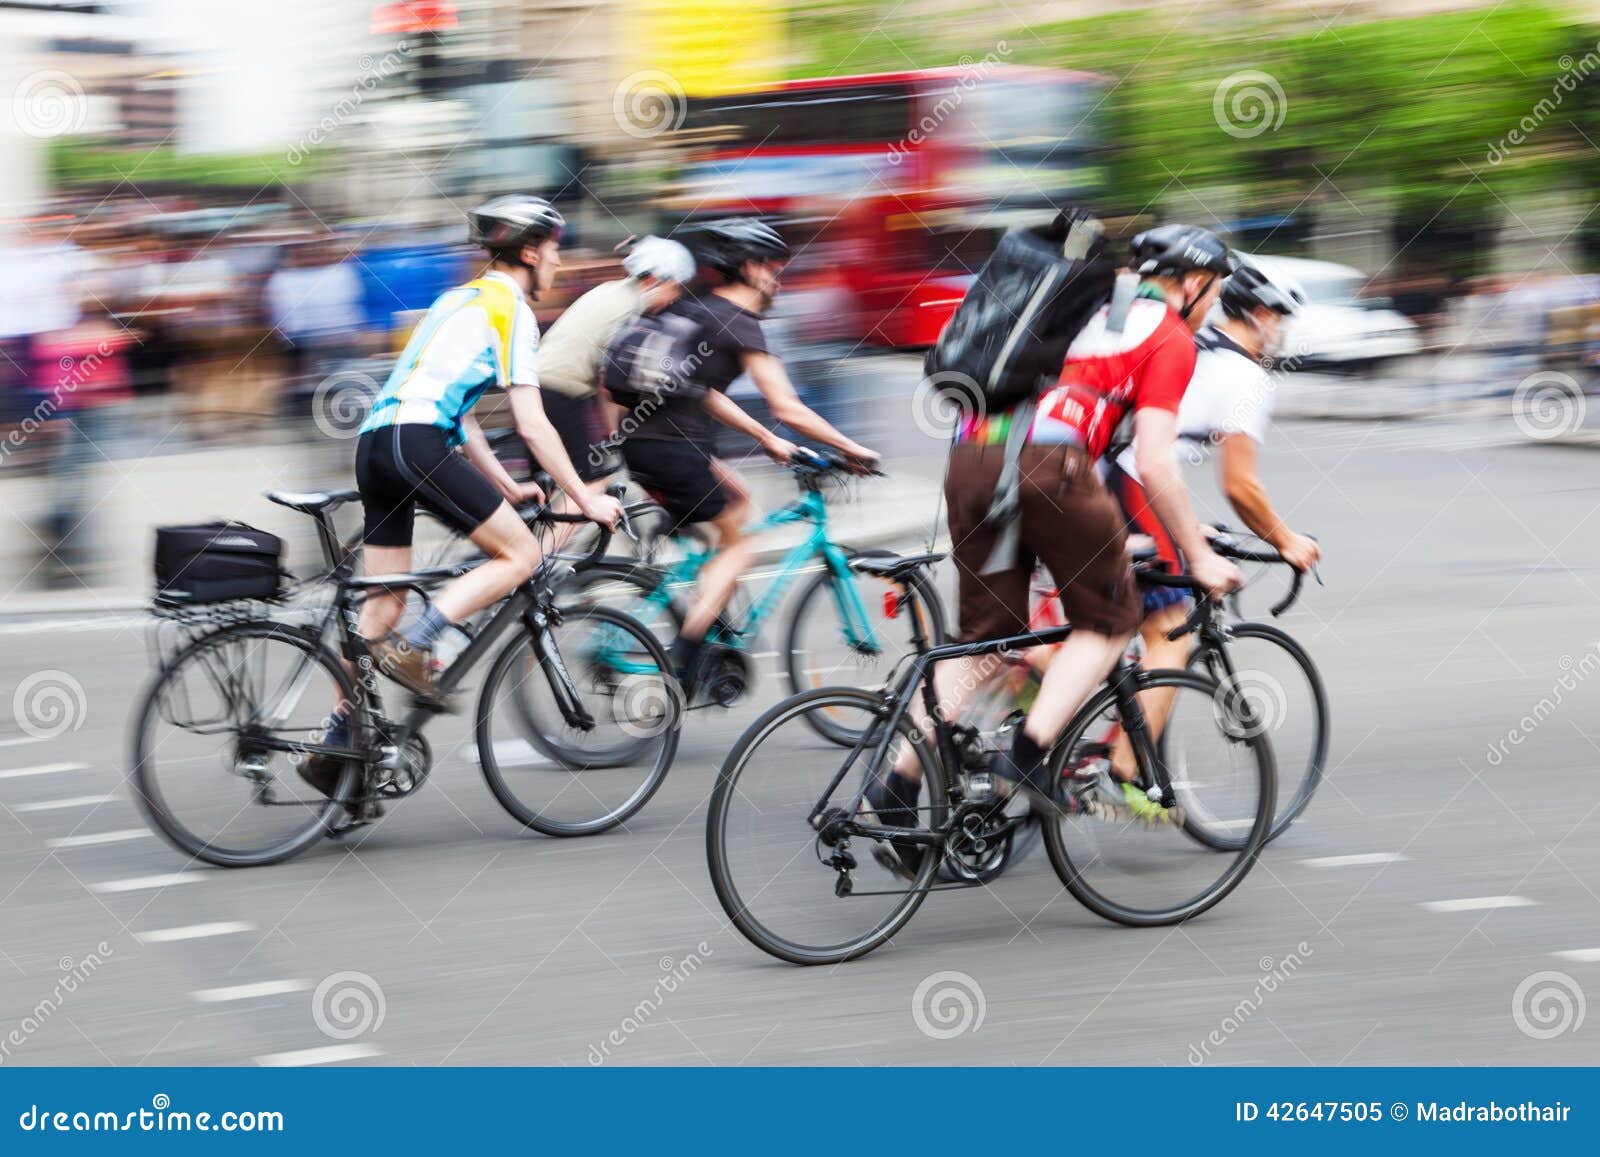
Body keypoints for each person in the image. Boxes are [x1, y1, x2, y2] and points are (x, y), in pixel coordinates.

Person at [865, 224, 1245, 871]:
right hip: (1048, 470)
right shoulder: (1170, 335)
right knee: (1112, 619)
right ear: (1191, 282)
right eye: (1215, 293)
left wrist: (1121, 527)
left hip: (973, 460)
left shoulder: (1081, 308)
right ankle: (1031, 755)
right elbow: (1155, 461)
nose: (1214, 307)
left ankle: (897, 781)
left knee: (985, 639)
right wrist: (1198, 555)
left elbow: (1072, 419)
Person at [299, 194, 622, 794]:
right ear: (529, 252)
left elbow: (461, 410)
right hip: (419, 444)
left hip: (376, 444)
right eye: (554, 251)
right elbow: (532, 422)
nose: (558, 263)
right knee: (522, 554)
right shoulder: (514, 313)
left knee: (382, 603)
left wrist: (501, 480)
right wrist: (584, 495)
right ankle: (418, 647)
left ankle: (339, 739)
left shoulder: (459, 299)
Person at [614, 217, 878, 697]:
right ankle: (685, 661)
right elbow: (788, 405)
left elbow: (705, 393)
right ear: (752, 268)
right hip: (677, 450)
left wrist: (768, 439)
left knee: (739, 507)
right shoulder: (742, 324)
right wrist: (851, 447)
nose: (777, 282)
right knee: (740, 546)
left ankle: (708, 626)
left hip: (646, 444)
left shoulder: (701, 311)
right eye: (774, 270)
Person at [534, 235, 696, 486]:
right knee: (592, 485)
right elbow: (607, 382)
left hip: (536, 390)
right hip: (560, 395)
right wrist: (616, 434)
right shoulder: (631, 310)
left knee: (547, 486)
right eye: (675, 287)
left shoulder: (609, 290)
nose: (674, 297)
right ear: (654, 280)